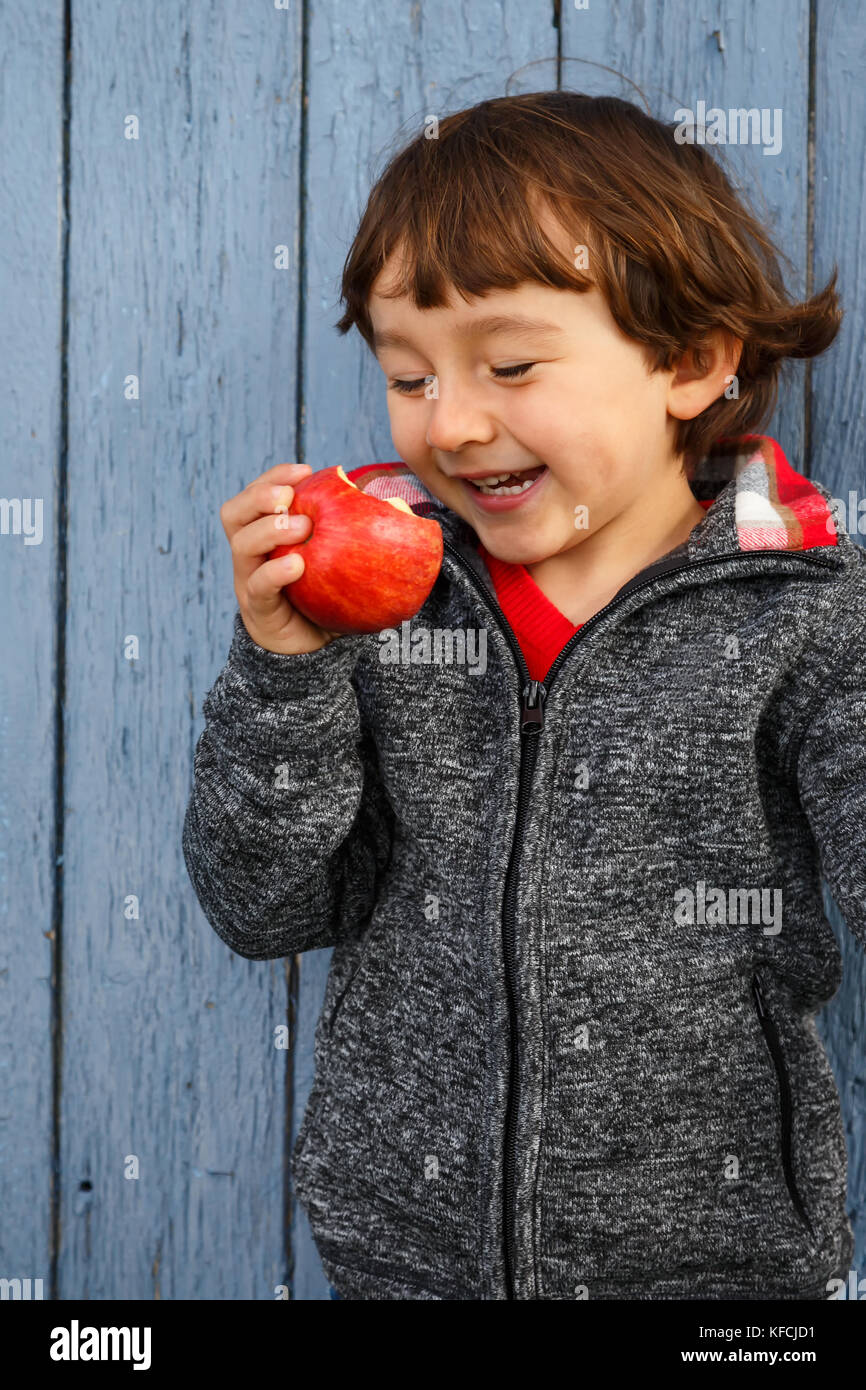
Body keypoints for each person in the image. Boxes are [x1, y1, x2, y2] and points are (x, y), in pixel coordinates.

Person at [182, 91, 866, 1300]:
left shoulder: (804, 611)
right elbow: (264, 907)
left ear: (690, 360)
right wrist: (286, 664)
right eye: (407, 376)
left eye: (508, 363)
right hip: (403, 1260)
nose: (450, 420)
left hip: (717, 1278)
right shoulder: (399, 608)